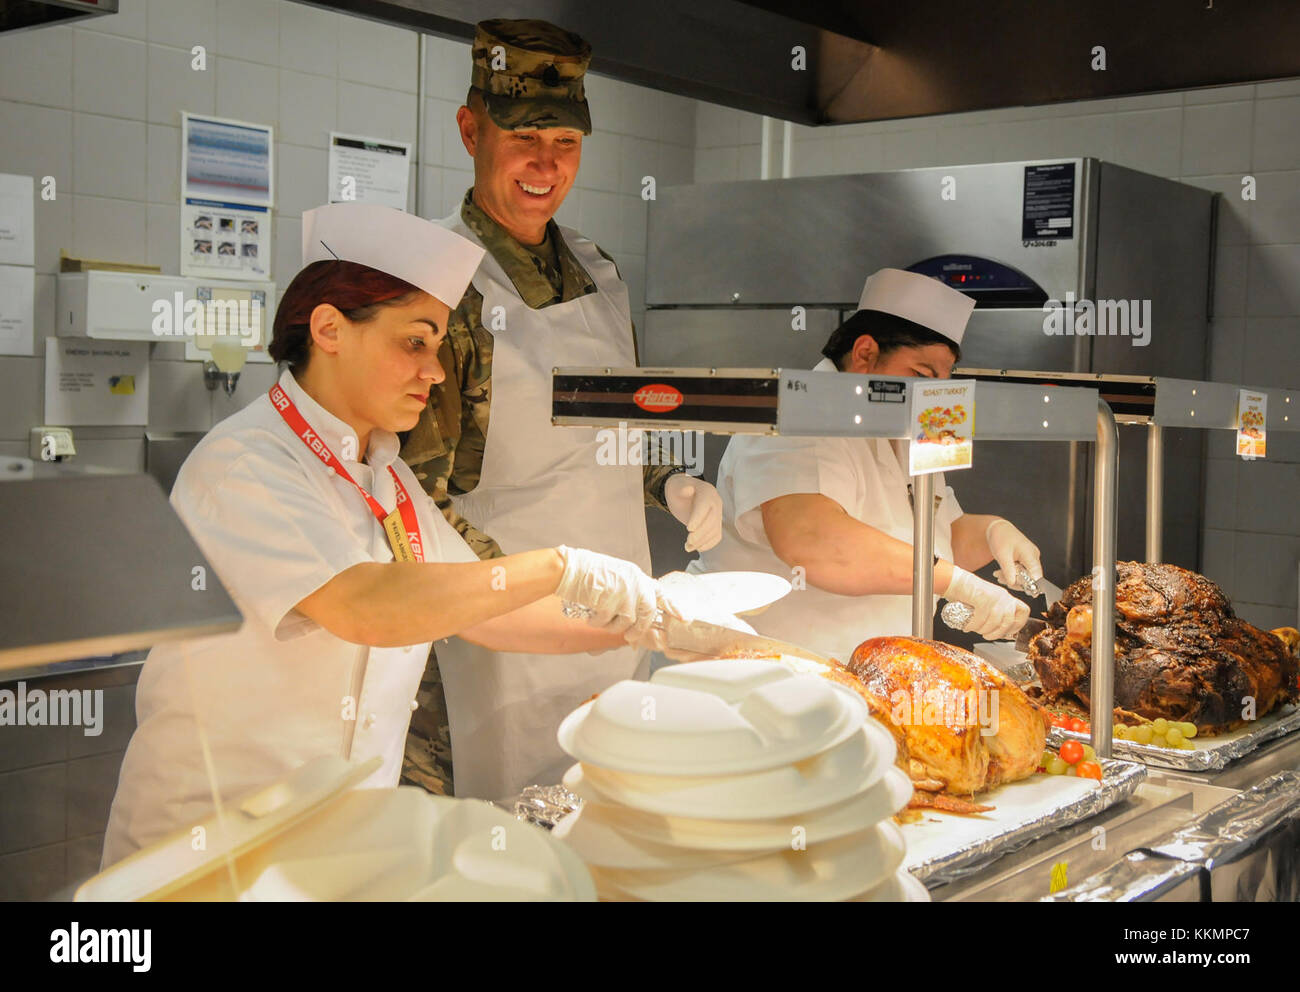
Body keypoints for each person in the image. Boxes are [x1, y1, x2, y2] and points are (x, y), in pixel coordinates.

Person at [101, 202, 683, 867]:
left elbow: (498, 613)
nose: (435, 372)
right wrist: (559, 565)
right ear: (329, 329)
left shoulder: (386, 477)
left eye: (438, 345)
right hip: (213, 858)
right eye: (415, 341)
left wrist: (655, 618)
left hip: (338, 856)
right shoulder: (246, 463)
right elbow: (364, 605)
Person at [400, 18, 724, 801]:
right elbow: (414, 502)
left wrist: (668, 482)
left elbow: (620, 424)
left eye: (567, 143)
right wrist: (532, 603)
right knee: (497, 852)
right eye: (523, 137)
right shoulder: (435, 282)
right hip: (493, 637)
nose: (546, 164)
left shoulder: (600, 270)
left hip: (616, 621)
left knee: (605, 826)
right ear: (471, 130)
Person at [692, 268, 1042, 662]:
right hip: (767, 676)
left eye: (944, 380)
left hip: (875, 677)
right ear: (864, 354)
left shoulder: (918, 424)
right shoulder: (796, 416)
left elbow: (937, 538)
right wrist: (956, 583)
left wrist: (996, 531)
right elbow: (815, 544)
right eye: (921, 376)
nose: (935, 396)